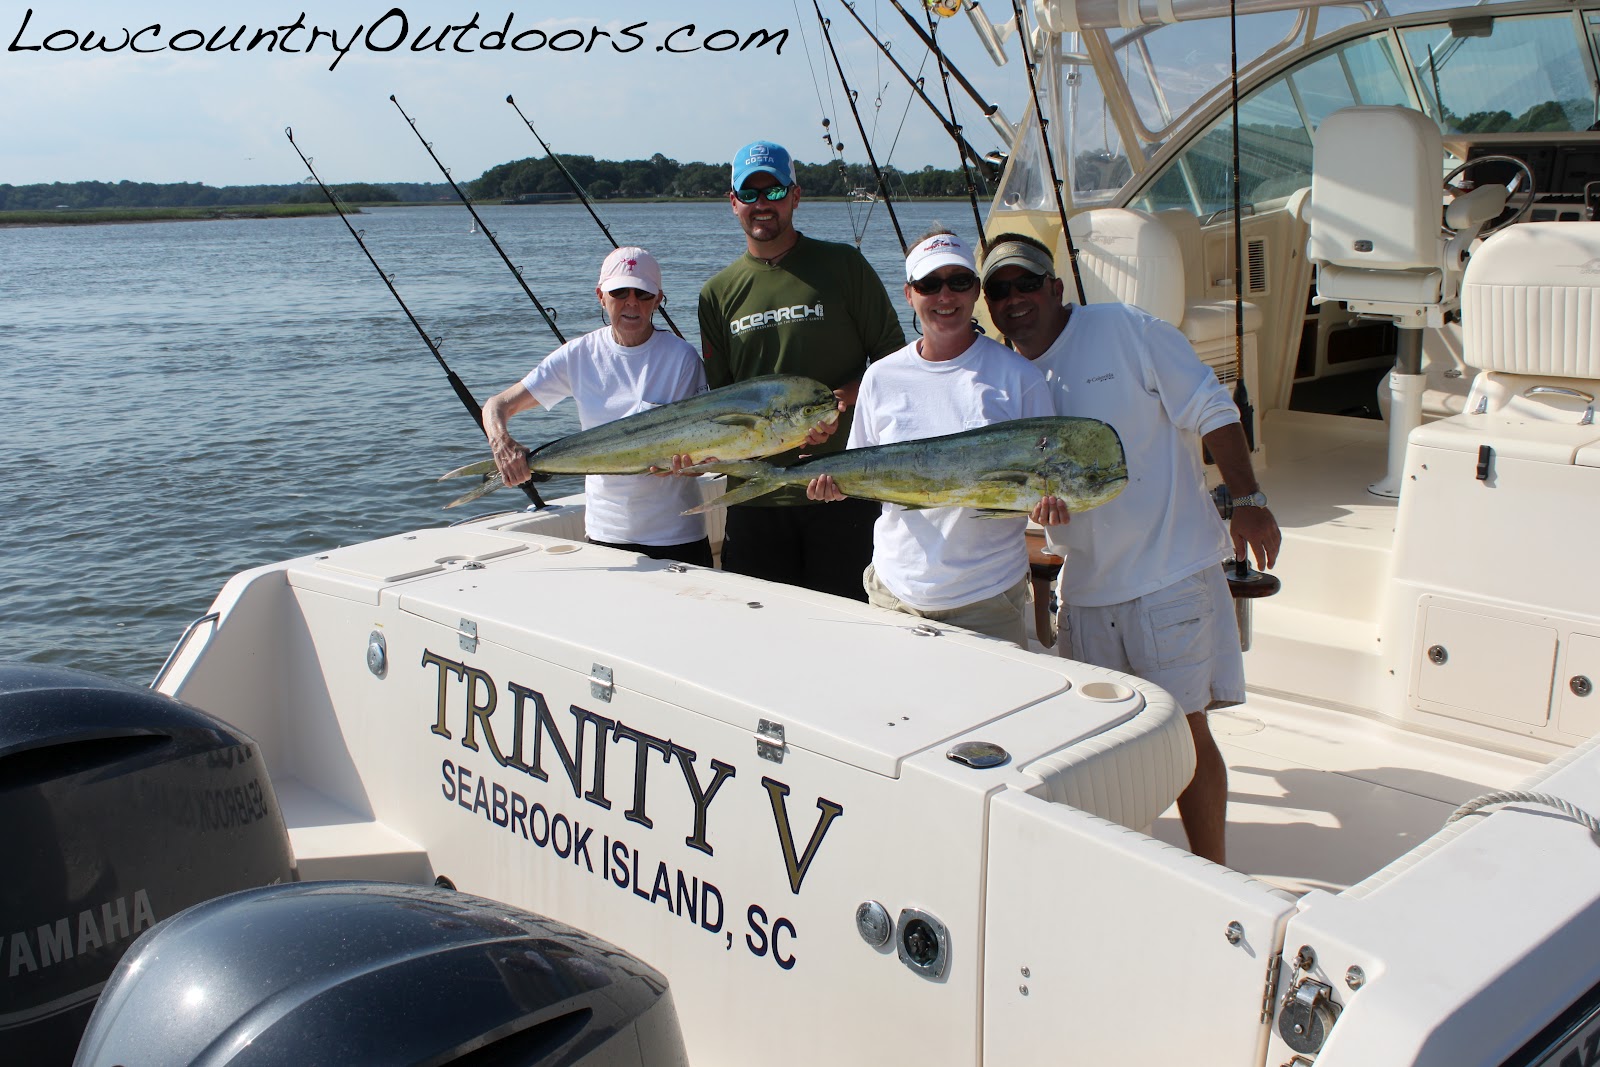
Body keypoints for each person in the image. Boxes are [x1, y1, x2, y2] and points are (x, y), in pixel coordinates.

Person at [980, 231, 1281, 866]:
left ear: (1056, 287)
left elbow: (1210, 406)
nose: (1015, 300)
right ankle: (1129, 869)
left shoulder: (1127, 329)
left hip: (1168, 576)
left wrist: (1248, 500)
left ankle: (1213, 874)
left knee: (1186, 737)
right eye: (998, 290)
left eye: (1027, 283)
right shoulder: (1002, 376)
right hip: (1086, 590)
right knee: (1106, 748)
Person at [807, 229, 1061, 647]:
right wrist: (833, 488)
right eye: (929, 284)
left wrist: (1050, 508)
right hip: (894, 595)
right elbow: (861, 469)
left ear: (976, 290)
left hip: (988, 599)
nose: (945, 296)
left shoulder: (1020, 379)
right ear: (909, 294)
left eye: (958, 281)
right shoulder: (880, 377)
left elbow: (1043, 482)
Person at [697, 140, 906, 601]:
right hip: (754, 497)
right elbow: (724, 403)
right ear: (733, 203)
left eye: (773, 191)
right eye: (749, 194)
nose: (762, 205)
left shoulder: (843, 266)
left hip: (840, 488)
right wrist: (684, 457)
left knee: (846, 628)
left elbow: (894, 366)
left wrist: (837, 405)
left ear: (795, 195)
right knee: (760, 632)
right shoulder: (717, 293)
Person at [481, 246, 713, 567]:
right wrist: (501, 442)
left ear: (658, 300)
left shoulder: (682, 358)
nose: (631, 302)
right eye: (619, 291)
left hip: (677, 534)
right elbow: (497, 406)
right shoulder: (577, 355)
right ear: (600, 295)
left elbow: (704, 451)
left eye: (643, 294)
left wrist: (693, 464)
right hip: (605, 533)